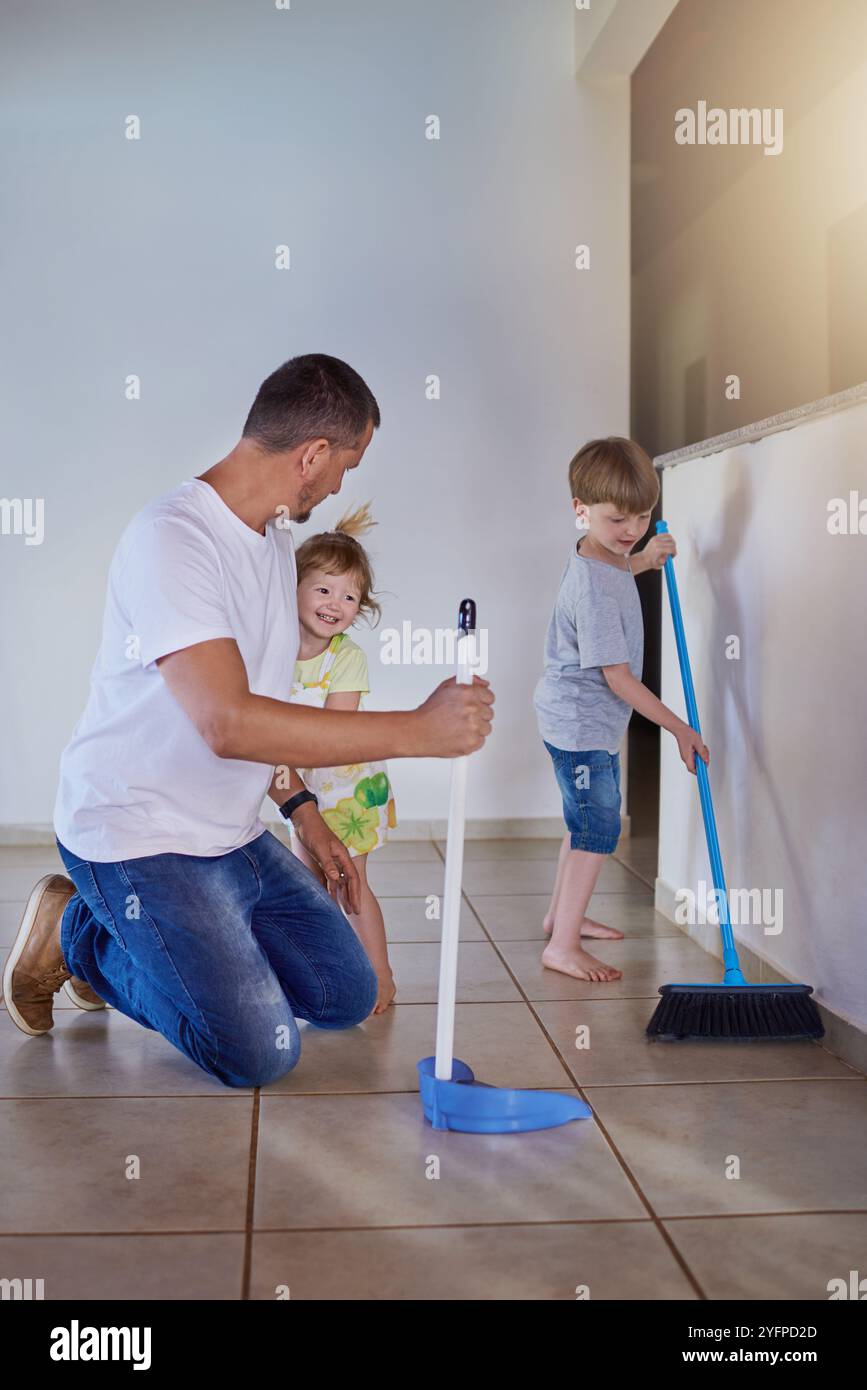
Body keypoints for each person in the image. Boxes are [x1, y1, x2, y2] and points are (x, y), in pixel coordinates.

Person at [3, 354, 494, 1087]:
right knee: (257, 1051)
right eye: (344, 467)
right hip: (136, 837)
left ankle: (169, 947)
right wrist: (418, 732)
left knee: (342, 994)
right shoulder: (173, 539)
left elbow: (264, 708)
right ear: (312, 454)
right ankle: (79, 936)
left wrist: (305, 814)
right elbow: (227, 722)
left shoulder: (273, 544)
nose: (337, 488)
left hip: (227, 838)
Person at [532, 436, 707, 983]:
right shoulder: (596, 587)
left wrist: (645, 561)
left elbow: (614, 574)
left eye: (643, 516)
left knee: (580, 822)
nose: (631, 530)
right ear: (580, 510)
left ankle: (563, 918)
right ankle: (561, 947)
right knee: (598, 829)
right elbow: (620, 679)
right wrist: (679, 727)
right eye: (617, 520)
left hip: (575, 719)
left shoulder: (599, 555)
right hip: (582, 725)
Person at [273, 502, 397, 1013]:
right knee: (310, 888)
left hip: (347, 791)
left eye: (349, 596)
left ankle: (381, 978)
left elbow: (333, 733)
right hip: (301, 789)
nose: (335, 603)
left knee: (351, 882)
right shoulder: (271, 648)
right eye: (324, 589)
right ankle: (325, 979)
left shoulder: (347, 657)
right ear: (293, 587)